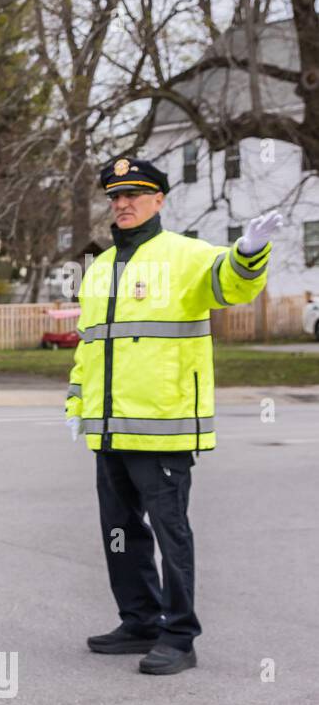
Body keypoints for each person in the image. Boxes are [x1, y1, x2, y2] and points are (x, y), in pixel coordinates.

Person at [66, 156, 280, 675]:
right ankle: (139, 620)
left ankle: (179, 636)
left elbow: (230, 283)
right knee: (120, 529)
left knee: (169, 533)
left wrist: (249, 253)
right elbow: (90, 348)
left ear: (159, 200)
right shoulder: (99, 268)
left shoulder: (186, 256)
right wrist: (77, 405)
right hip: (109, 429)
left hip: (165, 428)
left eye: (133, 195)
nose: (122, 204)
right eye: (116, 197)